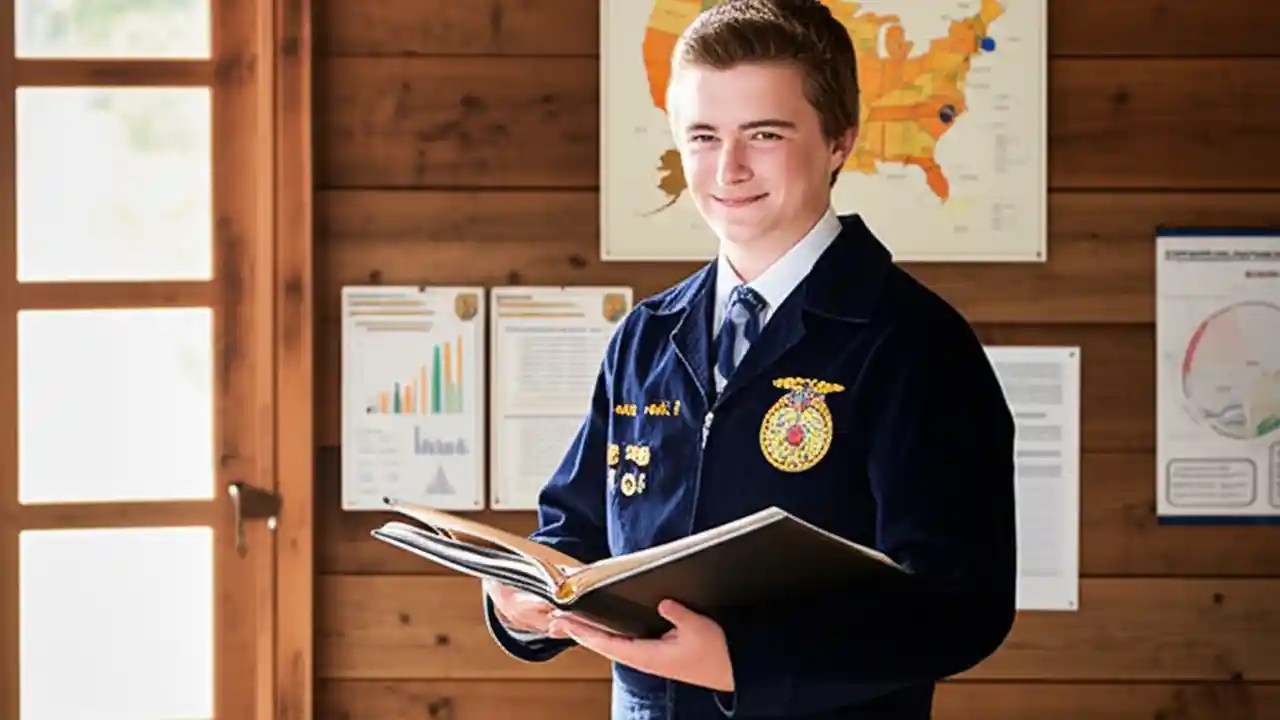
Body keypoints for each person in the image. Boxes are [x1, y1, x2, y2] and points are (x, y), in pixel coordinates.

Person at [482, 0, 1018, 717]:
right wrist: (522, 600)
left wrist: (748, 664)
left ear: (840, 140)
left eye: (764, 134)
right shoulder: (646, 335)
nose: (728, 168)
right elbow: (574, 529)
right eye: (703, 136)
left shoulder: (915, 342)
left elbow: (963, 604)